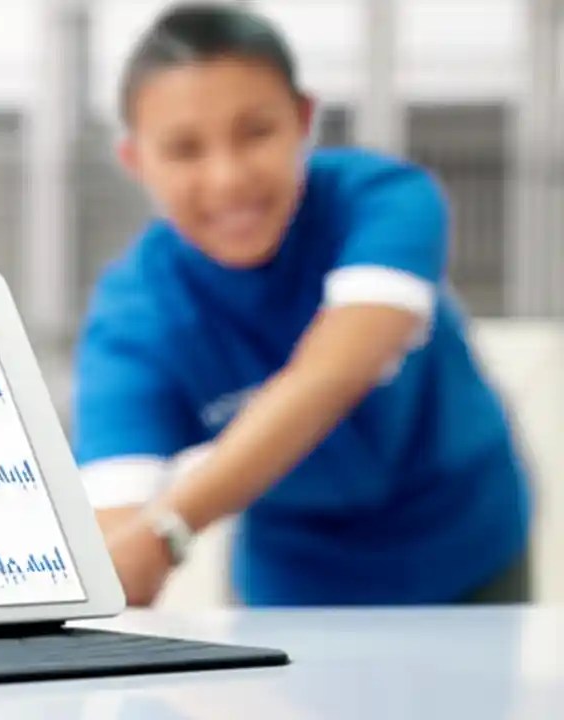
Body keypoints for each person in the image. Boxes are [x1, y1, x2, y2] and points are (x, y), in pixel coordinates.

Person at [73, 2, 533, 607]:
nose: (228, 178)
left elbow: (336, 370)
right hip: (292, 581)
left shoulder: (384, 200)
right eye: (185, 150)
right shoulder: (133, 316)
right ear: (136, 160)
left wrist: (166, 532)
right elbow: (119, 528)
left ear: (302, 118)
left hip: (466, 546)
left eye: (256, 132)